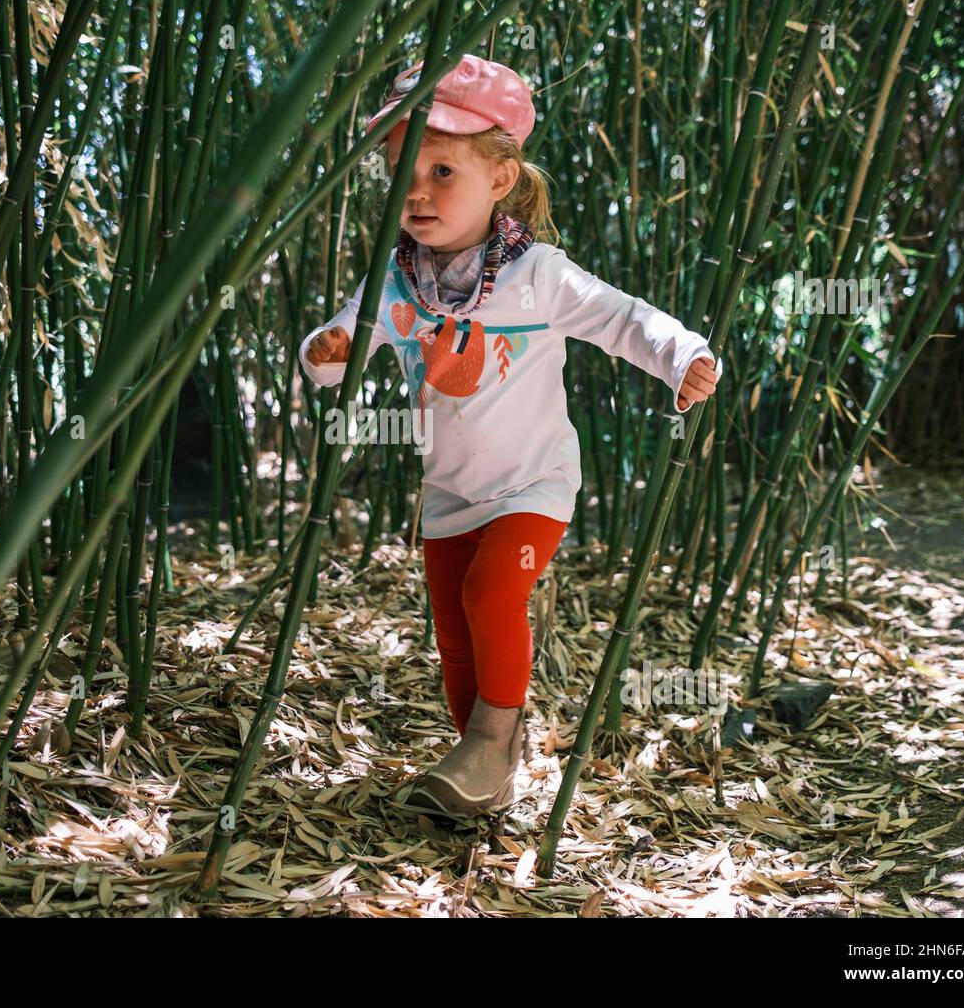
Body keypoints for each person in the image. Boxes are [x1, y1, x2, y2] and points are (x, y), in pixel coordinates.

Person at [299, 54, 720, 817]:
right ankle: (482, 770)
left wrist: (682, 354)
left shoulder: (537, 274)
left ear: (500, 177)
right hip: (450, 488)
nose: (417, 192)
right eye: (403, 173)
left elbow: (624, 318)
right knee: (453, 632)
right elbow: (340, 342)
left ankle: (493, 742)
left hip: (534, 482)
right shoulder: (396, 279)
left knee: (491, 590)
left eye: (442, 171)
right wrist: (325, 353)